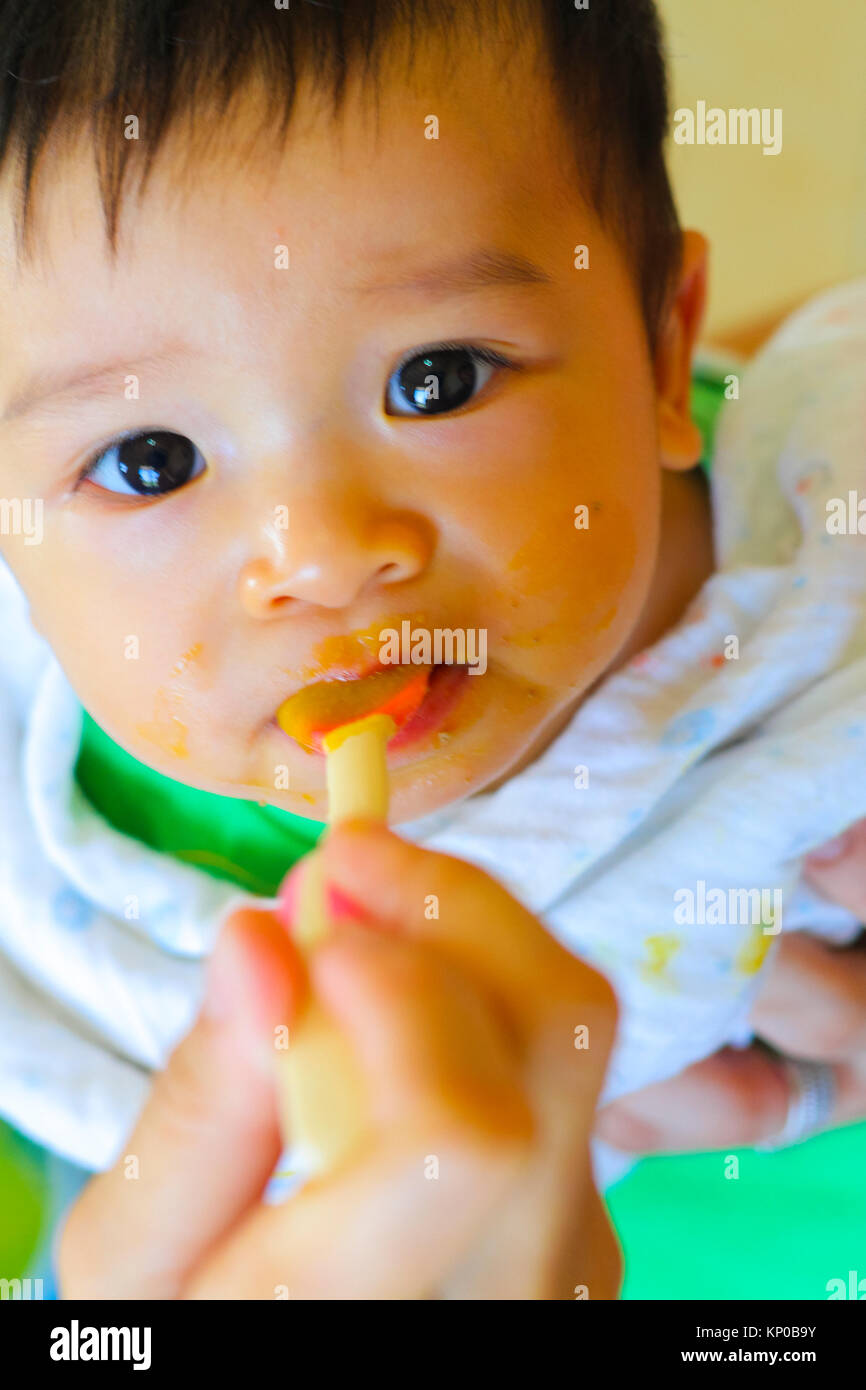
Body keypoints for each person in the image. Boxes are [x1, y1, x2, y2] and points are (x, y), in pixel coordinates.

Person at [0, 1, 863, 1298]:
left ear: (658, 344)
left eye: (439, 380)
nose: (324, 553)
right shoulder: (51, 871)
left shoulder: (826, 553)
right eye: (147, 461)